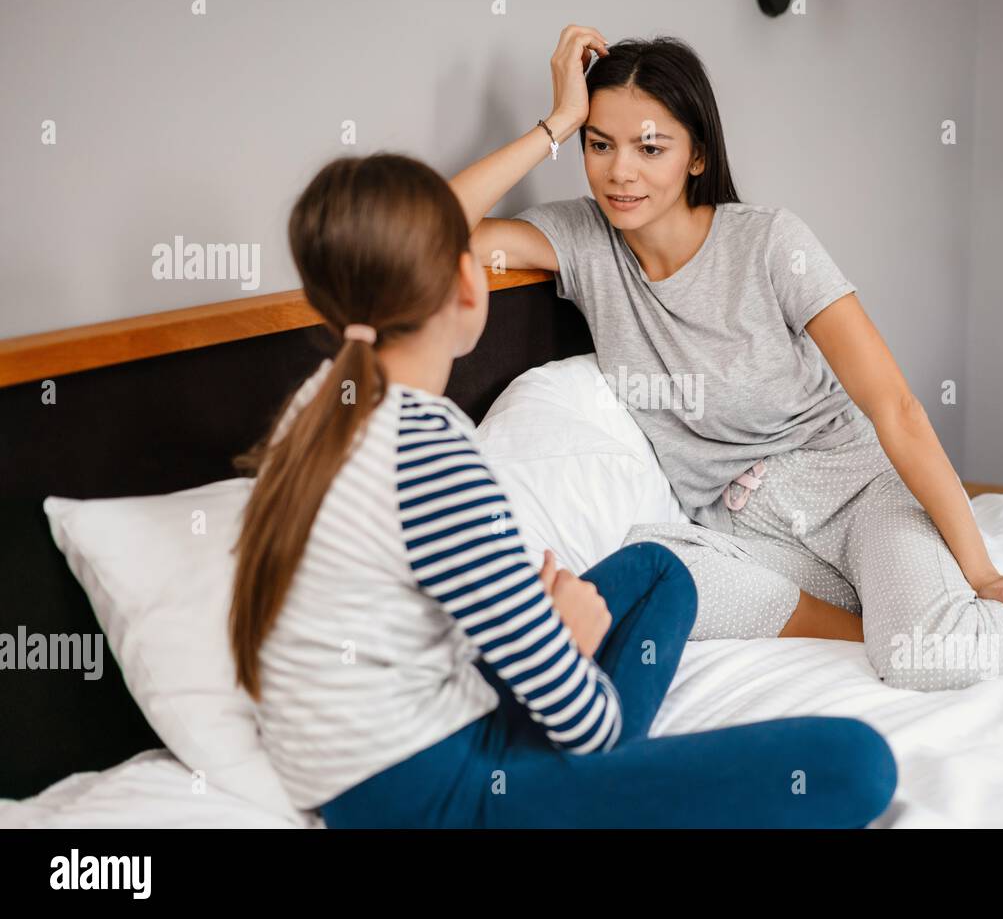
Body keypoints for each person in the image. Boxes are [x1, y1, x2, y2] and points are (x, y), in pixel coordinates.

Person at [464, 24, 1003, 692]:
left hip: (857, 488)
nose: (619, 171)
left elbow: (893, 405)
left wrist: (984, 575)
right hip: (743, 532)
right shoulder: (579, 242)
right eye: (600, 145)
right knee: (648, 569)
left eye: (650, 147)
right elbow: (419, 235)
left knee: (923, 655)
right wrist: (555, 121)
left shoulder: (767, 242)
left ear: (697, 155)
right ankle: (870, 621)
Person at [227, 151, 897, 828]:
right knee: (857, 762)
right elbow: (592, 728)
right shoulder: (431, 452)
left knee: (661, 569)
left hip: (371, 762)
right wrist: (565, 639)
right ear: (467, 280)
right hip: (433, 792)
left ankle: (588, 795)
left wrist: (540, 628)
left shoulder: (316, 406)